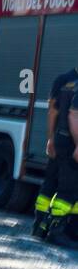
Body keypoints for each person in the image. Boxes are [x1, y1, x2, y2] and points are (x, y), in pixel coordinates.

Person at [34, 63, 78, 247]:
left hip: (59, 140)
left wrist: (51, 138)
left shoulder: (62, 80)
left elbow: (52, 110)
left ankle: (41, 227)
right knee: (69, 189)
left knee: (50, 184)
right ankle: (57, 231)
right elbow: (73, 115)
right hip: (70, 143)